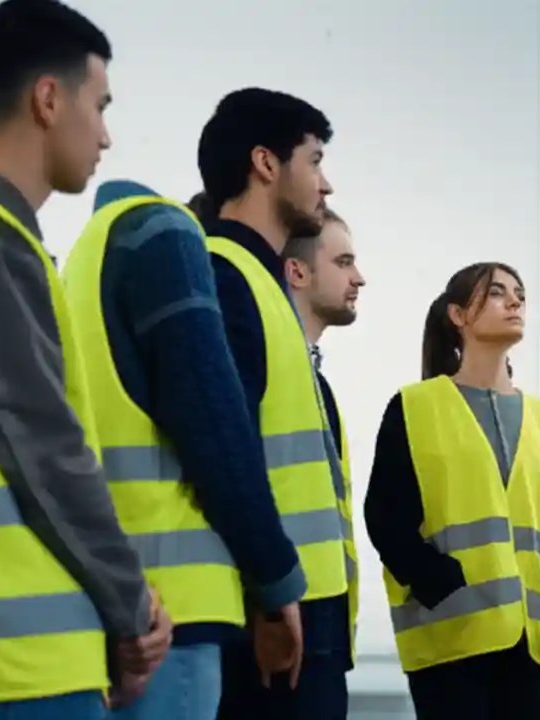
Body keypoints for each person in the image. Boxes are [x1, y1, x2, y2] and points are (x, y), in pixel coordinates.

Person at [60, 174, 313, 720]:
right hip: (176, 610)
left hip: (109, 601)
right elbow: (213, 424)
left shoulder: (81, 262)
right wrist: (275, 583)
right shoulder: (161, 234)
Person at [0, 1, 171, 717]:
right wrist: (133, 608)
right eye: (101, 105)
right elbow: (44, 449)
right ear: (48, 99)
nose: (107, 135)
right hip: (23, 670)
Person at [197, 88, 350, 720]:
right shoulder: (225, 275)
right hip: (275, 619)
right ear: (265, 163)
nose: (326, 184)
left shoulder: (258, 281)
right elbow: (223, 449)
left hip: (301, 608)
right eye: (314, 161)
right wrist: (268, 592)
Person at [365, 262, 540, 720]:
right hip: (449, 640)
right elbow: (385, 516)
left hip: (534, 645)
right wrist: (439, 582)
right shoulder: (415, 407)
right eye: (496, 292)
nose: (514, 301)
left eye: (520, 294)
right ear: (457, 315)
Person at [280, 209, 365, 670]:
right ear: (297, 272)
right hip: (289, 619)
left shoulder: (314, 382)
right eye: (344, 262)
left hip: (320, 617)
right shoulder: (281, 373)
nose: (359, 278)